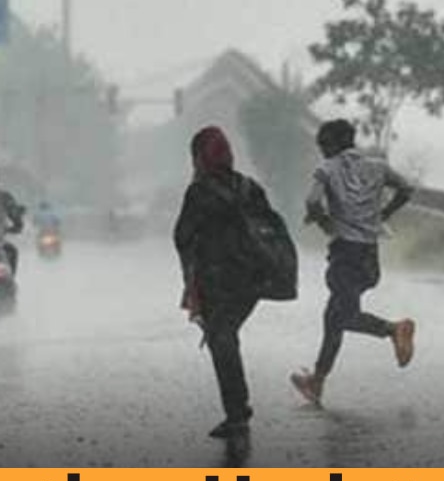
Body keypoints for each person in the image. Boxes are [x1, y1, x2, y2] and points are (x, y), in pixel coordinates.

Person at [290, 119, 416, 406]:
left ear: (333, 144)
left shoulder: (327, 169)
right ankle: (317, 381)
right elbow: (407, 189)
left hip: (345, 255)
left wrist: (324, 223)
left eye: (323, 146)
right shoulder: (378, 166)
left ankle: (394, 329)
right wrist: (382, 215)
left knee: (343, 316)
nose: (322, 152)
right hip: (370, 257)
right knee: (333, 317)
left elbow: (312, 202)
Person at [174, 126, 274, 437]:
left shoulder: (199, 191)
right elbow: (269, 228)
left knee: (222, 339)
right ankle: (237, 412)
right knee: (225, 336)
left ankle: (237, 415)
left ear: (199, 157)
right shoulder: (250, 187)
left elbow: (182, 236)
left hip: (217, 281)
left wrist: (190, 278)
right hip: (251, 280)